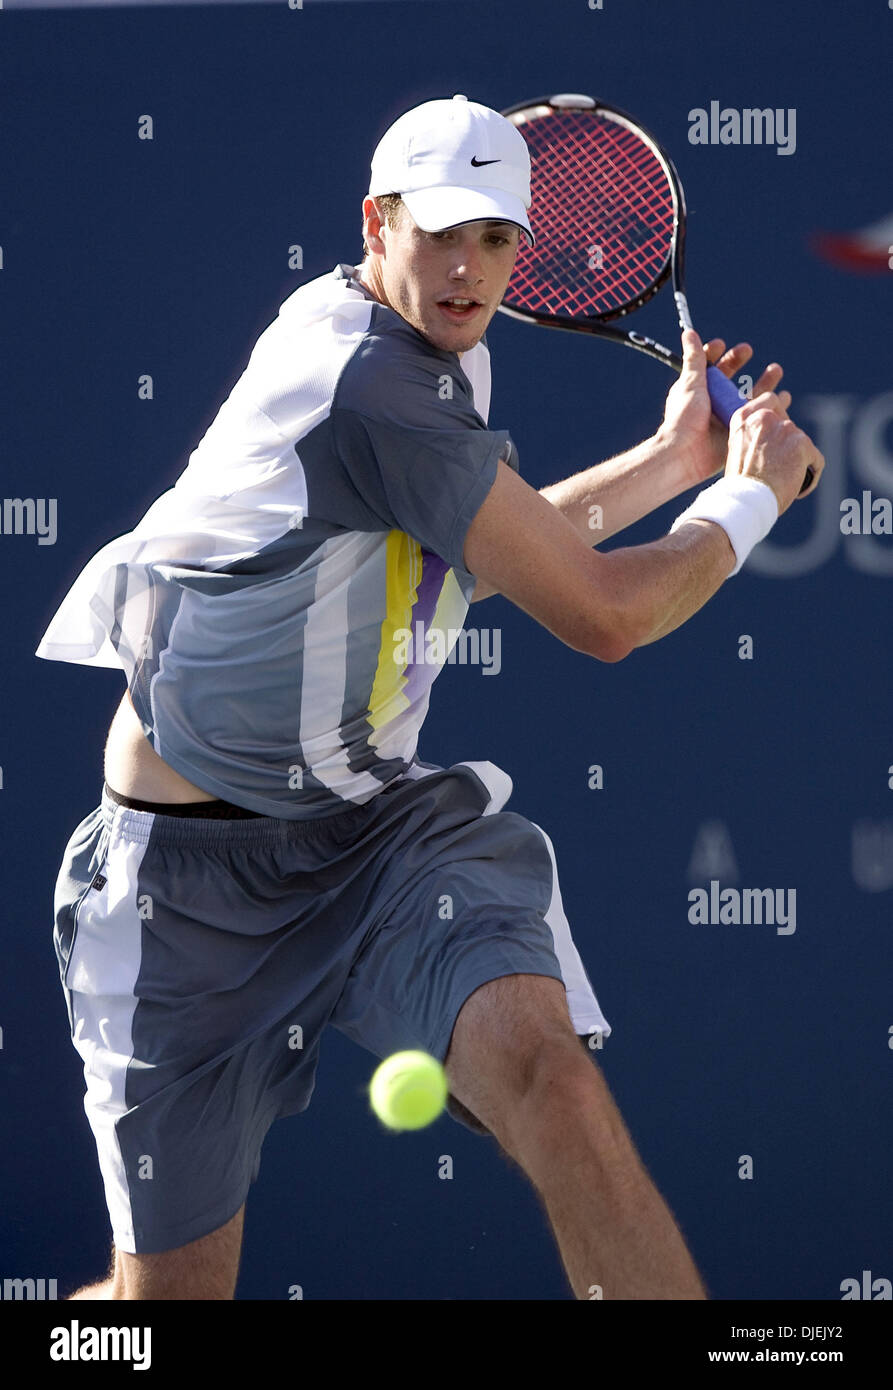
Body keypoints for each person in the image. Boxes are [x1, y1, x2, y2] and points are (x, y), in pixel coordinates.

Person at [37, 94, 823, 1301]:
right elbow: (602, 616)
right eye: (440, 233)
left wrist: (672, 463)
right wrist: (748, 498)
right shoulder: (364, 382)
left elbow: (473, 554)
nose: (468, 269)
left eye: (497, 239)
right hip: (182, 892)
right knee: (157, 1316)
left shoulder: (422, 339)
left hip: (380, 836)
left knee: (550, 1082)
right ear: (376, 224)